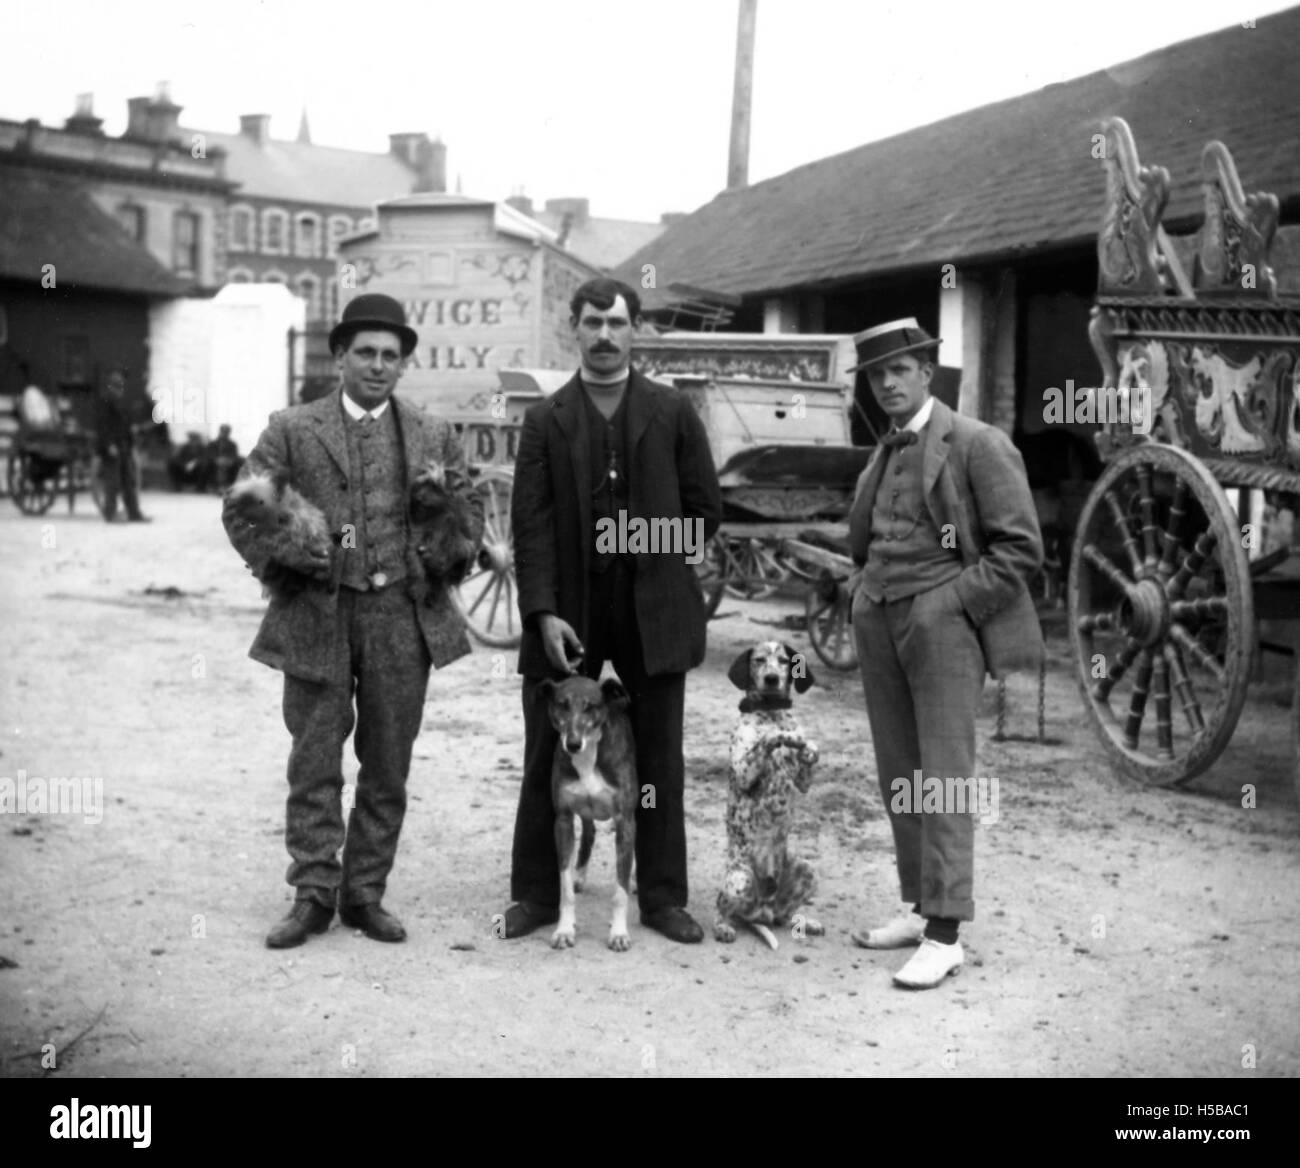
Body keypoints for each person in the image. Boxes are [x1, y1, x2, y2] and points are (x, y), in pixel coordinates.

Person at [222, 293, 484, 949]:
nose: (376, 365)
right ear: (339, 356)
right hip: (318, 616)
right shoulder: (292, 428)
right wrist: (294, 556)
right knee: (313, 761)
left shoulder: (431, 434)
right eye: (364, 352)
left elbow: (469, 519)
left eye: (389, 356)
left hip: (402, 617)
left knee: (388, 763)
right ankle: (312, 894)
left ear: (403, 364)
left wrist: (442, 546)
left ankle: (365, 894)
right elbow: (243, 508)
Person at [500, 277, 722, 944]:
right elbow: (530, 526)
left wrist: (632, 538)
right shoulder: (546, 419)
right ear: (575, 327)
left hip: (655, 610)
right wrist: (542, 613)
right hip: (569, 611)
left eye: (616, 324)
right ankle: (537, 894)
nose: (603, 335)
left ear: (635, 332)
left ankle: (661, 897)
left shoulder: (672, 411)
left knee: (658, 760)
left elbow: (705, 515)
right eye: (592, 322)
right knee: (550, 749)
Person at [845, 318, 1043, 989]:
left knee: (947, 778)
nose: (889, 382)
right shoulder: (884, 448)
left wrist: (949, 603)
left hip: (945, 631)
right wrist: (863, 594)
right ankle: (917, 906)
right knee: (899, 769)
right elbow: (868, 535)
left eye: (901, 368)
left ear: (929, 370)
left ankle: (947, 933)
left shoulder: (979, 443)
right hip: (880, 618)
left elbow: (1020, 550)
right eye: (877, 374)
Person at [94, 368, 149, 522]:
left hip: (124, 447)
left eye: (121, 385)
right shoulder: (105, 403)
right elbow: (103, 427)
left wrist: (131, 435)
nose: (120, 389)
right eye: (117, 385)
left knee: (128, 482)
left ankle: (134, 513)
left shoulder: (120, 405)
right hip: (112, 449)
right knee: (112, 482)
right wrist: (109, 445)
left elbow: (125, 425)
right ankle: (110, 514)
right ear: (110, 386)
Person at [207, 424, 244, 490]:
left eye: (226, 432)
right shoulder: (212, 443)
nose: (224, 434)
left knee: (236, 464)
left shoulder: (232, 444)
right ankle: (220, 486)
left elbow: (234, 455)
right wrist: (217, 459)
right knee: (219, 466)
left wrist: (230, 460)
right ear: (220, 432)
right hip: (215, 462)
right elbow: (209, 454)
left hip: (228, 462)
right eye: (223, 432)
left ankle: (225, 486)